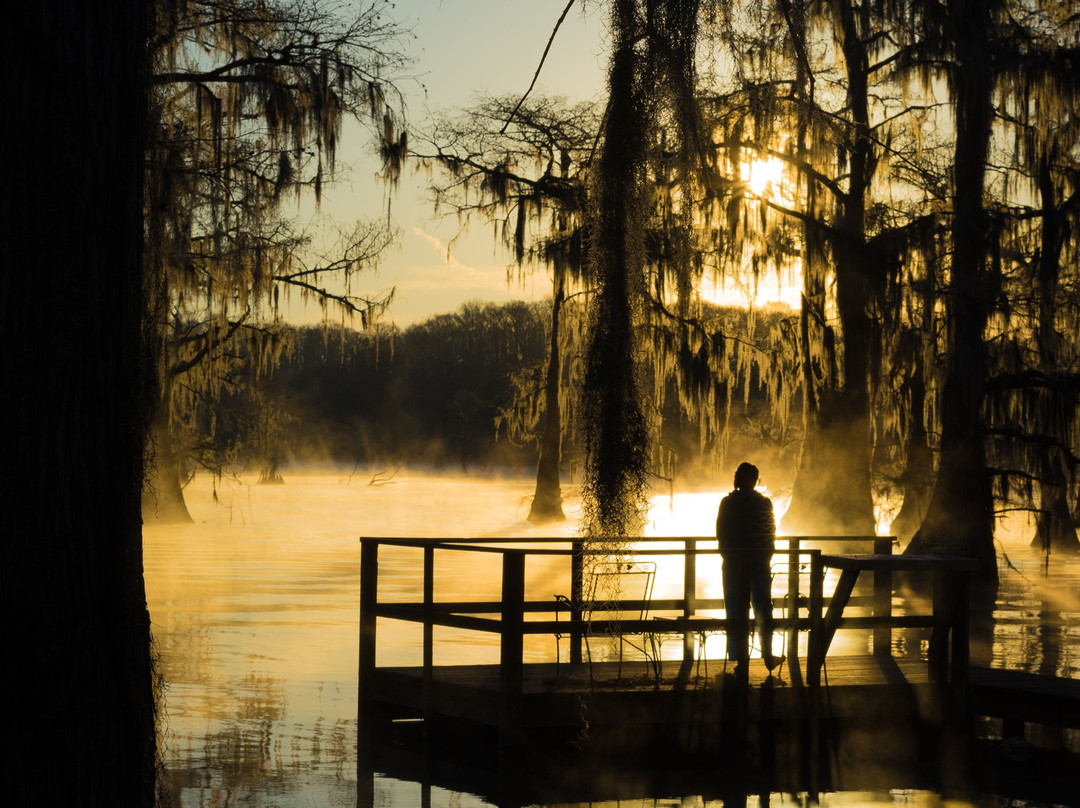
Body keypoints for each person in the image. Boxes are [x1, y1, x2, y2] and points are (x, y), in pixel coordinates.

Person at [716, 461, 782, 672]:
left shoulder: (727, 503)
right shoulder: (764, 503)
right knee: (763, 610)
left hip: (733, 564)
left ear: (737, 479)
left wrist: (727, 553)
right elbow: (770, 532)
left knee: (735, 609)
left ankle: (738, 656)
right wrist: (766, 555)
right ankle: (767, 655)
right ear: (755, 480)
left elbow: (720, 533)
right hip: (760, 563)